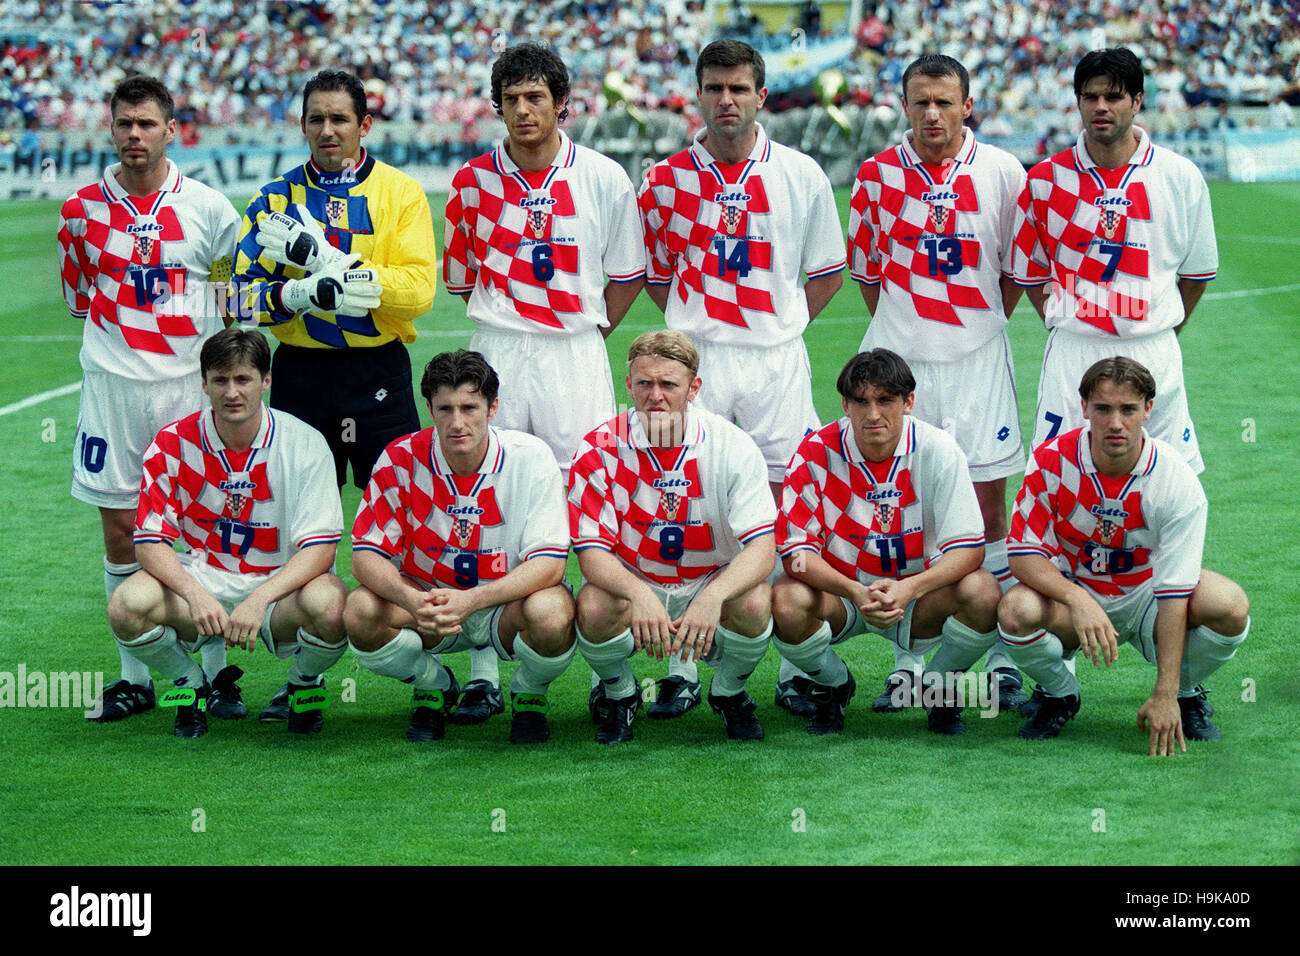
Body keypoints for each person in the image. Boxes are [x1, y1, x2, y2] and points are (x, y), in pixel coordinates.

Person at [637, 38, 845, 715]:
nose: (725, 100)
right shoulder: (664, 180)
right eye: (713, 88)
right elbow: (658, 275)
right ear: (697, 96)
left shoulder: (801, 173)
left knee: (783, 508)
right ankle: (681, 666)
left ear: (761, 95)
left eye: (738, 89)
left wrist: (779, 327)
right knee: (683, 500)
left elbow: (826, 271)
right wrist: (694, 336)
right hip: (698, 365)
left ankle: (791, 664)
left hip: (777, 361)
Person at [442, 43, 645, 723]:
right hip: (498, 348)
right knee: (484, 493)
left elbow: (626, 277)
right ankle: (481, 668)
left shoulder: (605, 177)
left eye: (535, 97)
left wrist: (584, 334)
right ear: (496, 106)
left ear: (562, 103)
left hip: (574, 354)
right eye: (510, 99)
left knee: (589, 505)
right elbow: (462, 279)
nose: (523, 110)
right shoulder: (471, 181)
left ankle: (609, 674)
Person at [234, 68, 436, 720]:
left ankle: (431, 671)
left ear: (364, 125)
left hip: (377, 374)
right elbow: (232, 298)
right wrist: (294, 294)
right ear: (303, 125)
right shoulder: (273, 200)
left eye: (340, 119)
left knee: (413, 525)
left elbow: (418, 292)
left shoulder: (400, 192)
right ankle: (306, 678)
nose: (327, 130)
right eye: (316, 119)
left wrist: (333, 265)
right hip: (301, 374)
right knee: (296, 529)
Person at [846, 54, 1030, 716]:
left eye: (944, 103)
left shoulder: (1004, 171)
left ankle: (1005, 653)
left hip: (979, 361)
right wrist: (912, 338)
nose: (932, 114)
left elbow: (1014, 271)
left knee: (987, 510)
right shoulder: (875, 175)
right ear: (904, 105)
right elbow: (868, 276)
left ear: (967, 105)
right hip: (900, 367)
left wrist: (972, 330)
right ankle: (910, 661)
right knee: (904, 508)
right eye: (921, 102)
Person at [58, 75, 243, 724]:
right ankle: (135, 678)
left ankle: (220, 676)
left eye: (147, 124)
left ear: (172, 131)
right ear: (111, 129)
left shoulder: (212, 209)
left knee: (202, 529)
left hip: (186, 390)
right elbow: (80, 297)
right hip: (112, 392)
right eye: (124, 124)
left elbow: (232, 305)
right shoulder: (80, 211)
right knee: (120, 529)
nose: (135, 135)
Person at [997, 358, 1249, 752]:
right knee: (1015, 610)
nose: (1116, 423)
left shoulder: (1174, 477)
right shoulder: (1051, 459)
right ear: (1084, 408)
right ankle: (1060, 693)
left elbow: (1175, 591)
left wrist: (1165, 691)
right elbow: (1022, 554)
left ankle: (1184, 695)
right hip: (1073, 595)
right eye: (1103, 409)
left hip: (1147, 598)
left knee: (1229, 605)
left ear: (1149, 409)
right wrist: (1077, 598)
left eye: (1128, 409)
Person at [107, 328, 349, 738]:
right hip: (206, 579)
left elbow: (320, 551)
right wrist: (195, 593)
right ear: (203, 384)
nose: (232, 392)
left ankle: (302, 684)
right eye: (220, 380)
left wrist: (260, 599)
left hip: (280, 588)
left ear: (266, 381)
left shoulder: (305, 443)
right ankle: (190, 683)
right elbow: (150, 541)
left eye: (243, 379)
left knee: (334, 607)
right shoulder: (171, 443)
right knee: (126, 606)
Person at [346, 350, 576, 745]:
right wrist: (410, 600)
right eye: (445, 408)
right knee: (360, 610)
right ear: (429, 409)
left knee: (552, 612)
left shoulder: (531, 457)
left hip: (504, 604)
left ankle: (529, 694)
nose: (457, 423)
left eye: (470, 407)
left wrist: (473, 600)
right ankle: (434, 685)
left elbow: (550, 565)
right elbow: (366, 554)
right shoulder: (399, 457)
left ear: (493, 407)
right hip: (428, 604)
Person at [772, 350, 1001, 735]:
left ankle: (939, 686)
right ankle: (832, 684)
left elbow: (970, 549)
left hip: (915, 596)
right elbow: (795, 553)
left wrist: (910, 589)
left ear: (908, 402)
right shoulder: (814, 452)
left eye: (885, 400)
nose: (872, 414)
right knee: (785, 598)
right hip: (843, 596)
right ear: (845, 404)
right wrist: (853, 590)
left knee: (984, 592)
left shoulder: (939, 450)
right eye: (860, 401)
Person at [1010, 48, 1216, 474]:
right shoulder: (1045, 179)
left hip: (1152, 347)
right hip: (1074, 349)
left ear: (1138, 101)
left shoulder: (1179, 176)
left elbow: (1196, 275)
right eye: (1090, 97)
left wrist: (1159, 329)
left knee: (1168, 480)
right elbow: (1031, 274)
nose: (1101, 107)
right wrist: (1065, 317)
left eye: (1115, 96)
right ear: (1078, 102)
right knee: (1057, 478)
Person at [569, 331, 776, 744]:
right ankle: (620, 694)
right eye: (644, 384)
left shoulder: (731, 446)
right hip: (636, 578)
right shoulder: (598, 448)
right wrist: (639, 593)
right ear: (628, 385)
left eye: (669, 384)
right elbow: (591, 555)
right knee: (592, 605)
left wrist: (713, 597)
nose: (655, 396)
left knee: (755, 602)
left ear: (693, 388)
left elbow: (763, 549)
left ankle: (728, 692)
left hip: (708, 578)